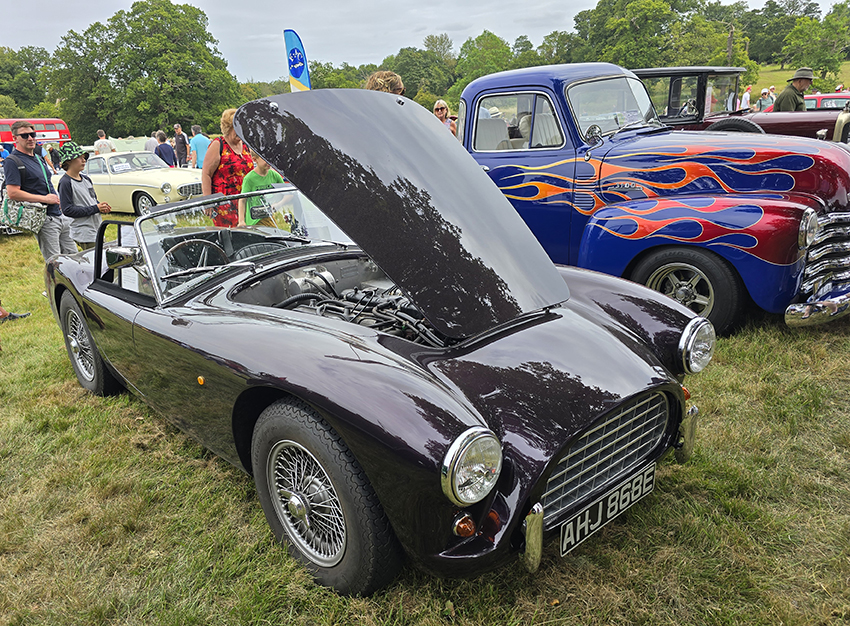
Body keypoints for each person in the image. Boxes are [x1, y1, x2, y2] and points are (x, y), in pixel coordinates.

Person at [3, 121, 75, 261]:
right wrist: (45, 199)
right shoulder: (12, 161)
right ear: (15, 138)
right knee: (56, 263)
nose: (30, 138)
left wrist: (57, 199)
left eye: (32, 134)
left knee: (73, 258)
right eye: (24, 135)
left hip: (59, 215)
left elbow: (46, 183)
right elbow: (12, 193)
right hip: (44, 219)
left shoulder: (37, 157)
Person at [201, 108, 254, 227]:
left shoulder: (245, 145)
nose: (240, 131)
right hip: (224, 204)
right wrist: (208, 202)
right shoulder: (218, 144)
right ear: (228, 128)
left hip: (246, 201)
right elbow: (206, 174)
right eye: (237, 128)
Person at [57, 141, 111, 250]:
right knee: (97, 262)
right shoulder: (65, 182)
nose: (84, 160)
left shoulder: (86, 179)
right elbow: (67, 210)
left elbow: (92, 200)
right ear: (69, 161)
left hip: (96, 228)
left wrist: (100, 206)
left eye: (84, 157)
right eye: (79, 157)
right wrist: (95, 208)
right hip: (84, 232)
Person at [238, 151, 286, 227]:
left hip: (269, 216)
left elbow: (288, 194)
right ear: (255, 160)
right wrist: (241, 221)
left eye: (270, 159)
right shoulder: (249, 179)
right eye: (265, 159)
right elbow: (242, 200)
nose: (268, 162)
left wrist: (279, 204)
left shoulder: (275, 175)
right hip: (254, 221)